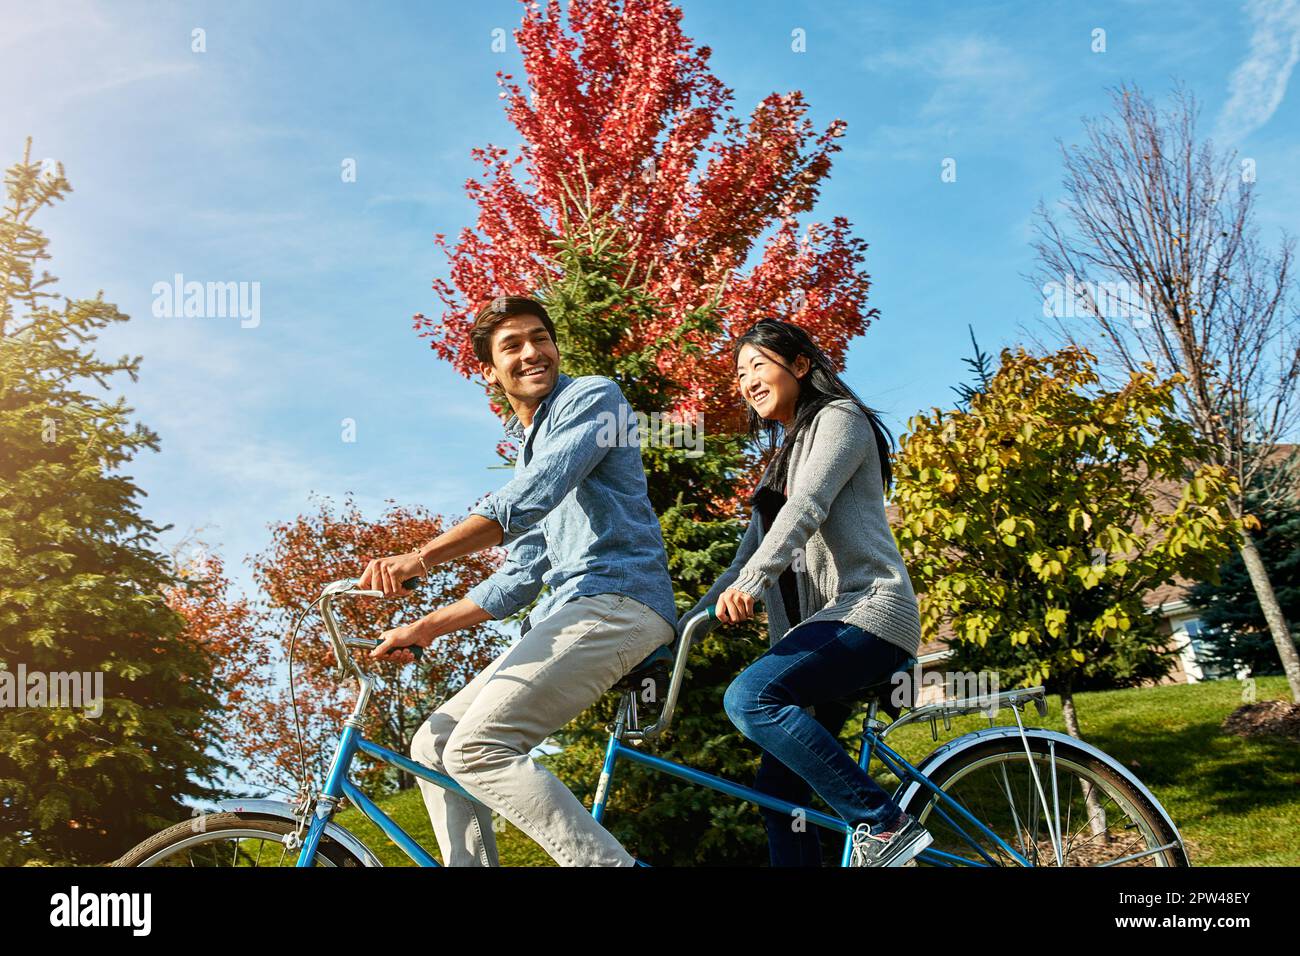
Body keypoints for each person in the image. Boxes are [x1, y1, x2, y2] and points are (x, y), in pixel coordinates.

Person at [361, 295, 677, 867]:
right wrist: (425, 626)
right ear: (491, 371)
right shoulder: (531, 446)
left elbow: (535, 495)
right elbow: (522, 573)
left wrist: (422, 557)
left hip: (618, 599)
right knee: (432, 745)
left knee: (478, 748)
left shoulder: (592, 397)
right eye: (512, 346)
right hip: (573, 610)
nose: (532, 352)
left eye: (540, 338)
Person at [681, 318, 930, 867]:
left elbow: (808, 506)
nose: (747, 380)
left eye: (758, 365)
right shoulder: (779, 467)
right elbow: (740, 564)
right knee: (778, 795)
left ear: (799, 366)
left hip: (869, 613)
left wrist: (753, 584)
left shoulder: (840, 420)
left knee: (749, 699)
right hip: (822, 631)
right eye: (739, 372)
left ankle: (884, 824)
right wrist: (677, 636)